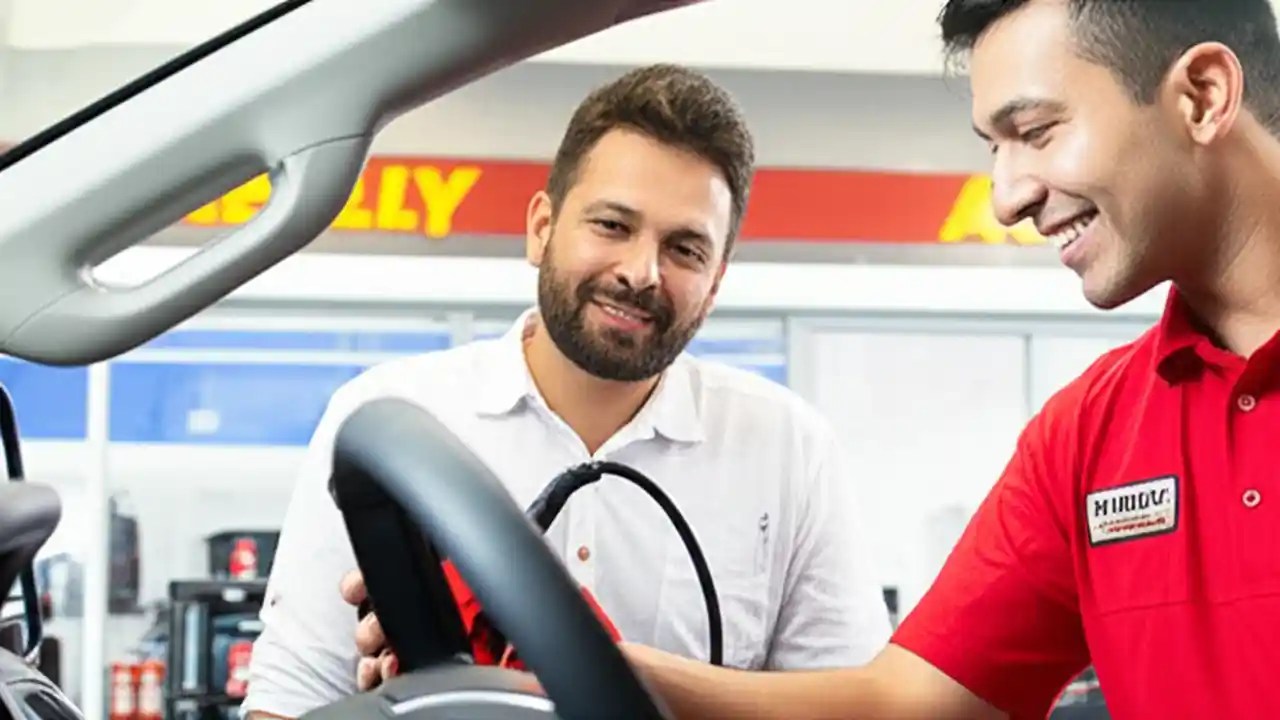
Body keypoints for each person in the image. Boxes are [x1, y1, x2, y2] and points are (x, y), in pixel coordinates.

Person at [613, 1, 1280, 718]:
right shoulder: (1090, 435)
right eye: (995, 147)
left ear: (1202, 95)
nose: (1006, 198)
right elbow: (909, 703)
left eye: (1036, 132)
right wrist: (588, 660)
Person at [240, 63, 893, 720]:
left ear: (716, 282)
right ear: (541, 227)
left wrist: (615, 671)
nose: (641, 273)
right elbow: (288, 701)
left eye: (685, 249)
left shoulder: (787, 448)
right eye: (612, 225)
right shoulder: (387, 422)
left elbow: (858, 706)